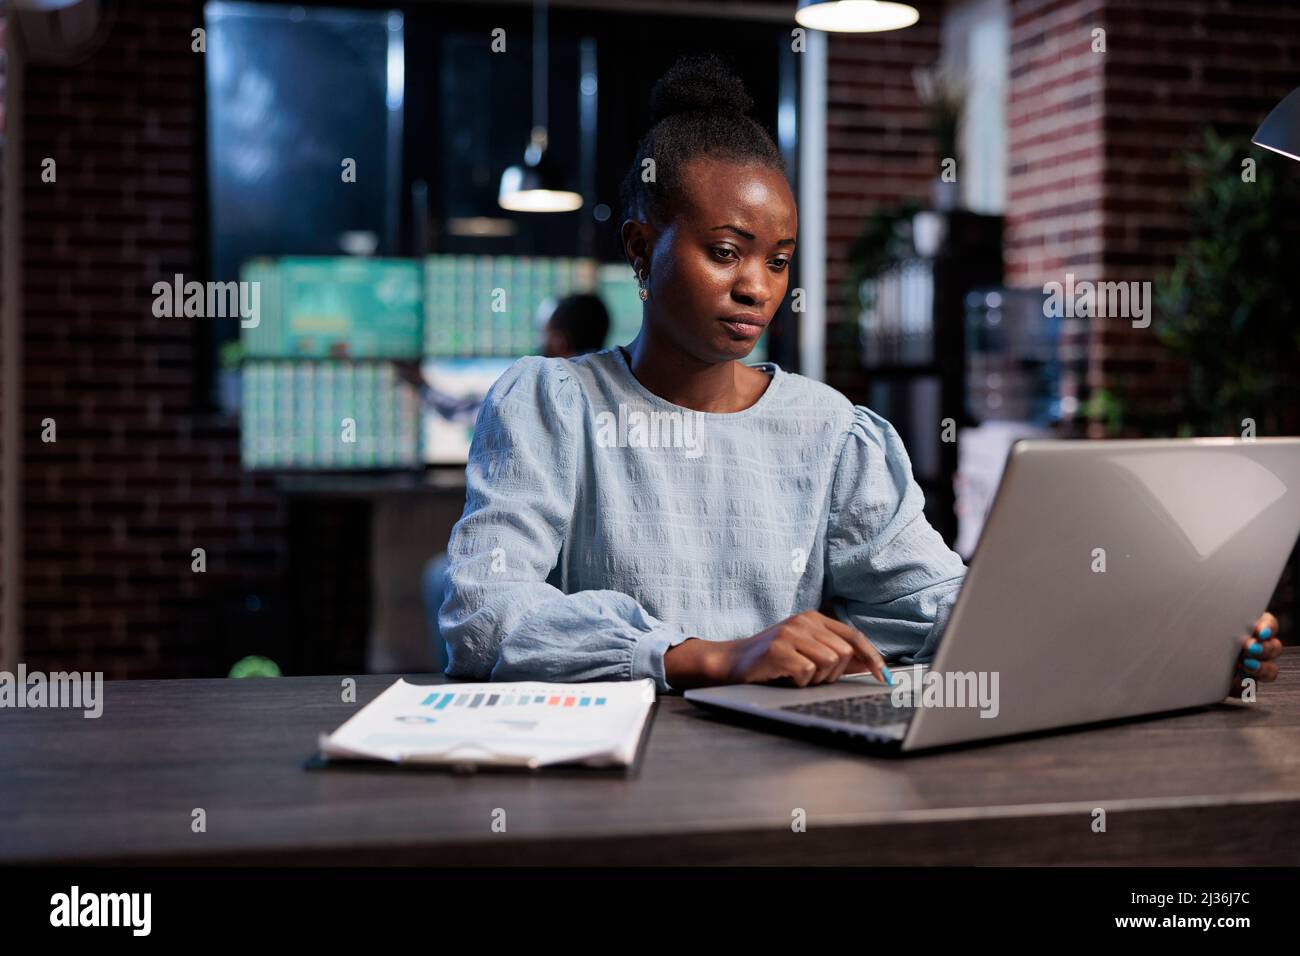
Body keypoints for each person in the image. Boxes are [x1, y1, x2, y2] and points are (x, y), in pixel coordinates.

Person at [438, 54, 1282, 694]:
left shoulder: (829, 431)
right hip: (612, 790)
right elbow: (484, 615)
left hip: (788, 775)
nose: (756, 286)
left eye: (778, 260)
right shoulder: (553, 404)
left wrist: (1164, 628)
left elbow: (940, 608)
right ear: (639, 248)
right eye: (725, 252)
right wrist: (708, 656)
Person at [420, 293, 611, 669]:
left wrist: (419, 384)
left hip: (543, 572)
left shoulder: (534, 390)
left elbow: (461, 412)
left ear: (558, 340)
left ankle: (465, 679)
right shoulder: (616, 388)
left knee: (439, 578)